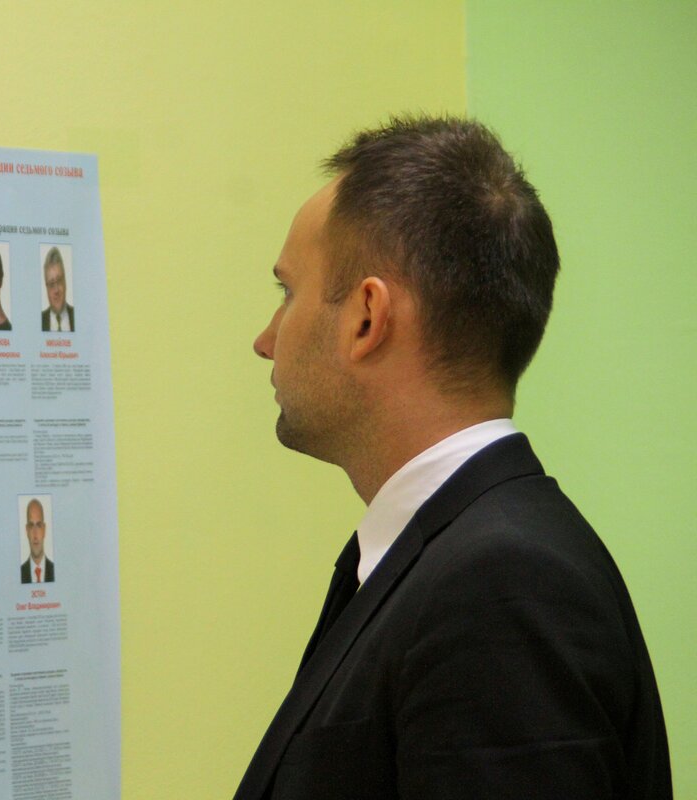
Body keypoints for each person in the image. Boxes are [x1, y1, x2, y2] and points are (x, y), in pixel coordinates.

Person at [234, 116, 670, 799]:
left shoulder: (500, 586)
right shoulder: (449, 558)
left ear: (367, 318)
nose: (265, 340)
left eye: (287, 293)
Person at [20, 498, 54, 583]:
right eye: (31, 526)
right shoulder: (19, 574)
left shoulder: (55, 571)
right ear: (27, 531)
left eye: (38, 525)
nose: (35, 534)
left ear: (44, 530)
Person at [40, 247, 73, 332]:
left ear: (65, 282)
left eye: (59, 280)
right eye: (51, 284)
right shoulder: (39, 322)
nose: (56, 290)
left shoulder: (79, 316)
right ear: (46, 288)